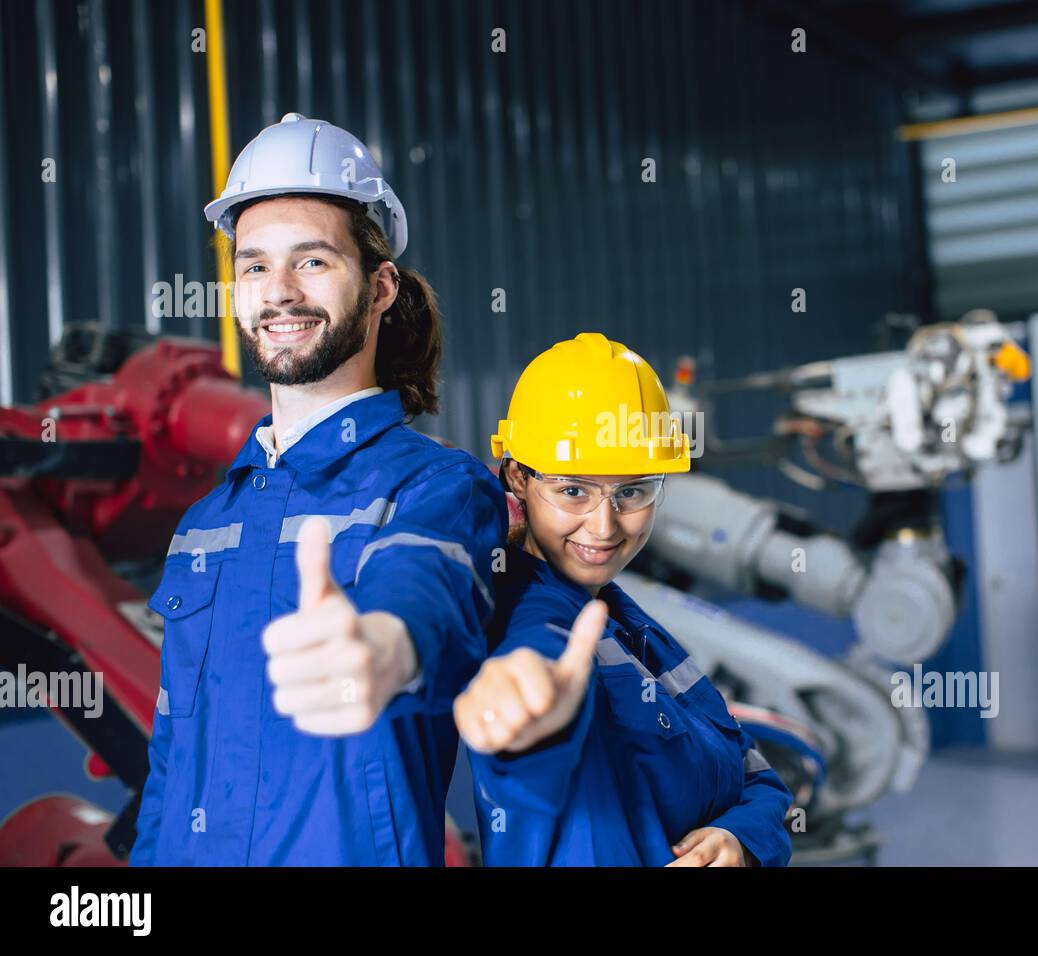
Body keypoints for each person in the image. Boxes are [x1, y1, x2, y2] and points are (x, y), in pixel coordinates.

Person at [130, 114, 506, 865]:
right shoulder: (206, 522)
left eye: (313, 262)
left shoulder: (436, 488)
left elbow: (424, 599)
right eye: (255, 266)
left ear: (380, 288)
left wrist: (383, 646)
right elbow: (169, 768)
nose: (280, 293)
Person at [455, 332, 793, 866]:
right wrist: (521, 718)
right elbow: (528, 710)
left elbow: (752, 770)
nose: (605, 525)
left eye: (632, 491)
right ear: (518, 477)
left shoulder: (634, 629)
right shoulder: (525, 618)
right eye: (573, 490)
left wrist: (741, 840)